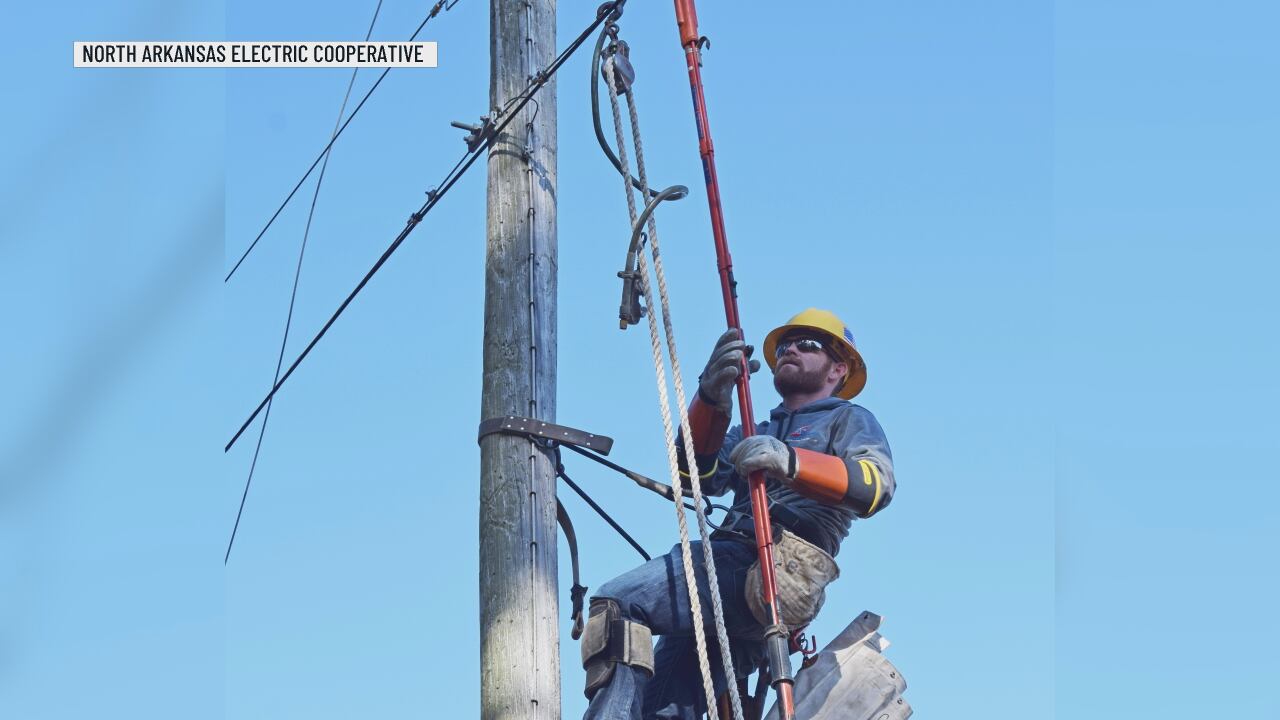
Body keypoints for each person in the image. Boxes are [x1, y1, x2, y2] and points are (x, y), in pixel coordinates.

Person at [579, 308, 897, 720]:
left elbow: (875, 485)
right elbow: (694, 474)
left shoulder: (848, 419)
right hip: (731, 571)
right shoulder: (753, 430)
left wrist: (792, 462)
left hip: (776, 566)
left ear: (838, 369)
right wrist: (711, 399)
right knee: (665, 707)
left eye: (808, 344)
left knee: (620, 603)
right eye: (785, 345)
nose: (792, 350)